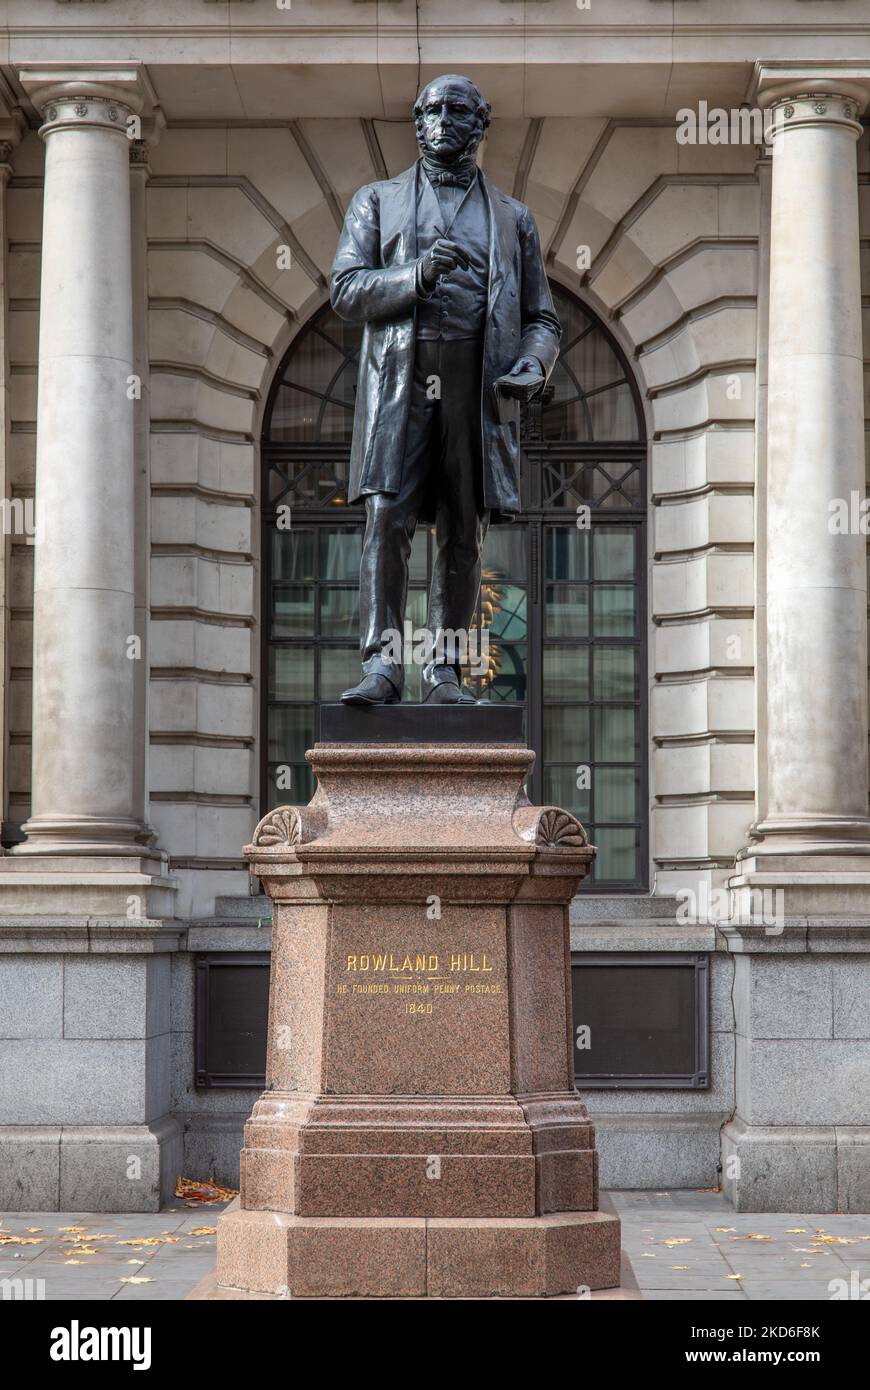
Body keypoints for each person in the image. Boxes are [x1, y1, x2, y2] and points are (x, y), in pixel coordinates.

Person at [331, 74, 561, 705]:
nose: (443, 119)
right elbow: (347, 289)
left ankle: (446, 673)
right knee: (386, 516)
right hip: (399, 382)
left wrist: (534, 367)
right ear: (416, 121)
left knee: (463, 529)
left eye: (458, 110)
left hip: (475, 388)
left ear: (481, 123)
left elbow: (542, 317)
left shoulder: (513, 219)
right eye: (431, 109)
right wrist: (414, 274)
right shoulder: (376, 201)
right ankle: (381, 662)